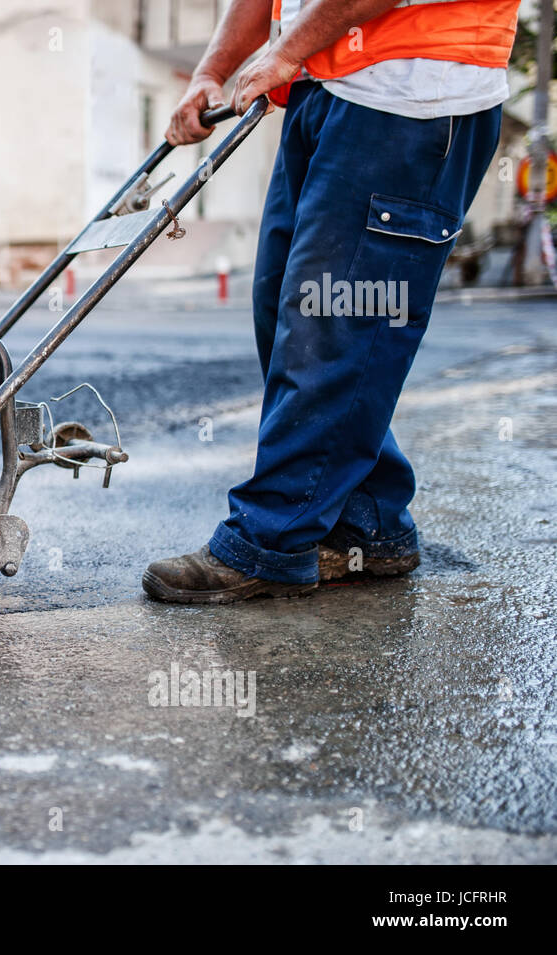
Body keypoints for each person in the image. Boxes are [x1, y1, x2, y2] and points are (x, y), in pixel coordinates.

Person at [143, 0, 521, 604]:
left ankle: (271, 539)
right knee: (285, 313)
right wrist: (208, 73)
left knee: (336, 324)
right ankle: (369, 522)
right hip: (324, 90)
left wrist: (284, 52)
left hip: (414, 96)